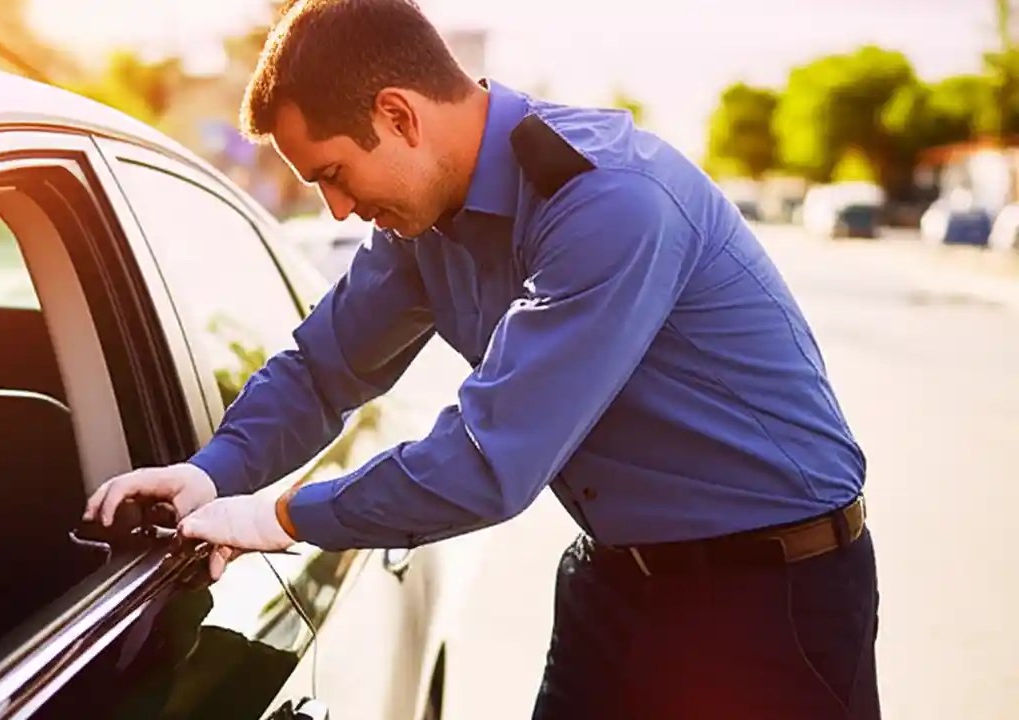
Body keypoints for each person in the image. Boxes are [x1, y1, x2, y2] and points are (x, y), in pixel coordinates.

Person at [83, 1, 880, 717]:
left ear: (398, 115)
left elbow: (488, 461)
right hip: (615, 583)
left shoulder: (608, 201)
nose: (336, 208)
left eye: (332, 174)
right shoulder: (420, 222)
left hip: (770, 596)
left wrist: (274, 516)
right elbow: (323, 367)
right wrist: (217, 472)